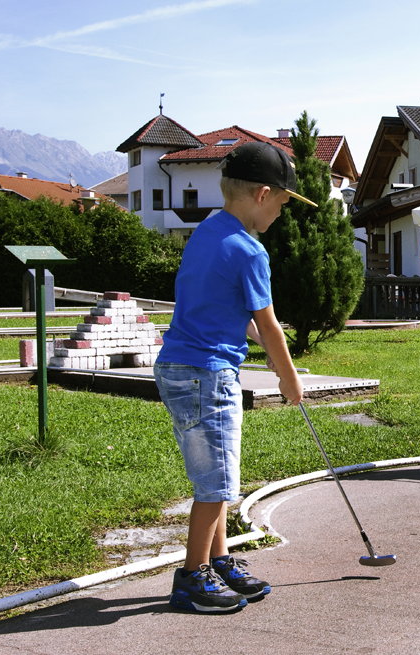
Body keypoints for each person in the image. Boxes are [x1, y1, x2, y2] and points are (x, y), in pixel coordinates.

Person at [154, 142, 312, 612]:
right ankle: (191, 579)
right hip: (207, 373)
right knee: (217, 484)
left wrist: (271, 356)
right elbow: (267, 324)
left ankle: (220, 561)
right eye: (283, 203)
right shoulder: (249, 250)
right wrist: (289, 378)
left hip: (179, 367)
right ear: (263, 194)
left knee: (214, 474)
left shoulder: (207, 232)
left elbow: (228, 312)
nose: (282, 213)